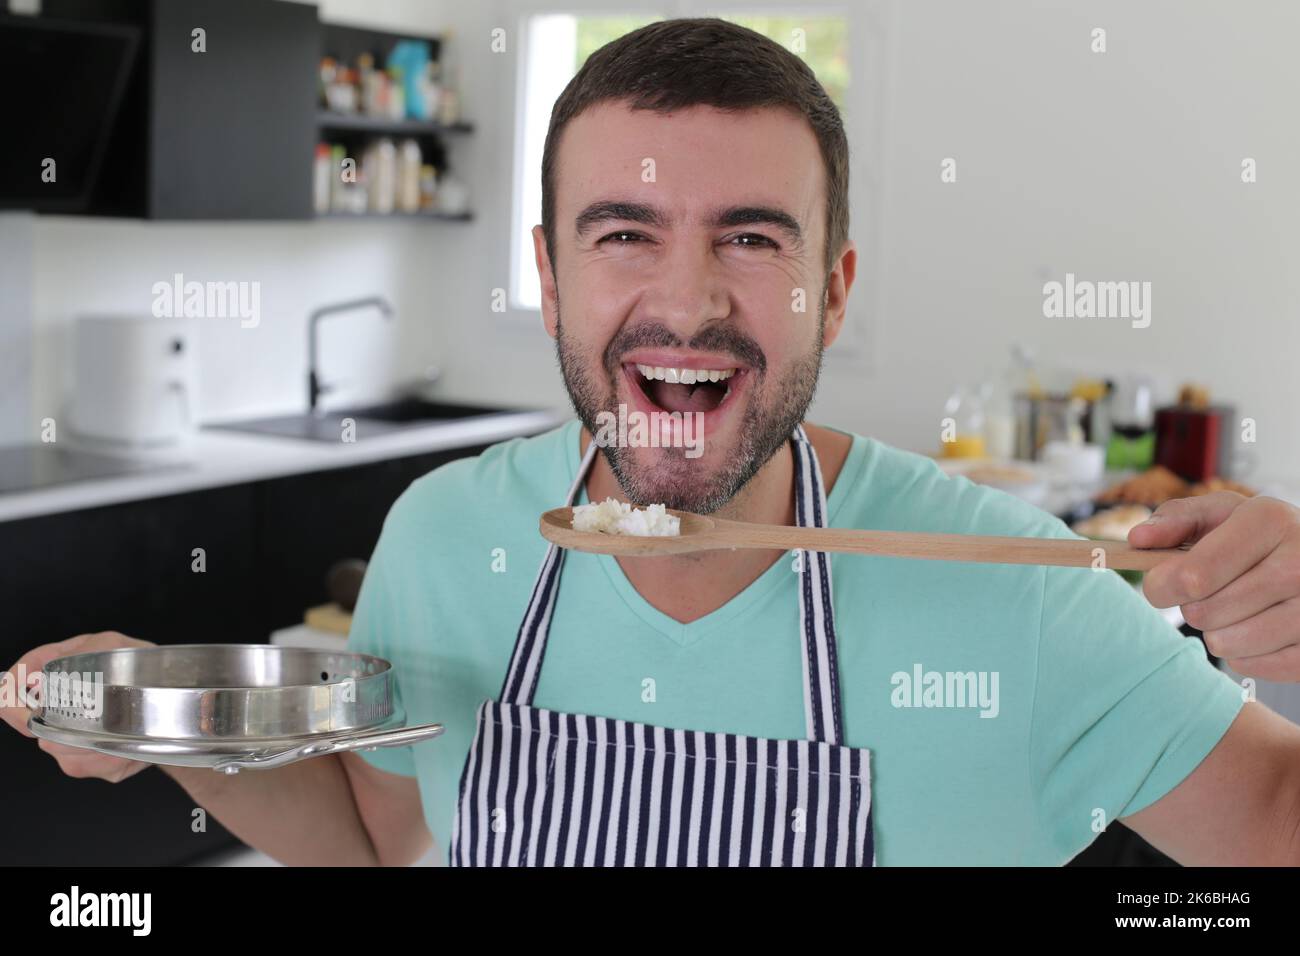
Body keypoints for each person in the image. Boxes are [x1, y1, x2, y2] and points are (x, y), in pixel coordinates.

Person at [5, 18, 1300, 867]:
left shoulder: (1017, 592)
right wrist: (177, 719)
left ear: (833, 292)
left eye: (751, 236)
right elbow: (385, 843)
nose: (686, 304)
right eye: (625, 233)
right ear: (552, 277)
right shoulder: (446, 536)